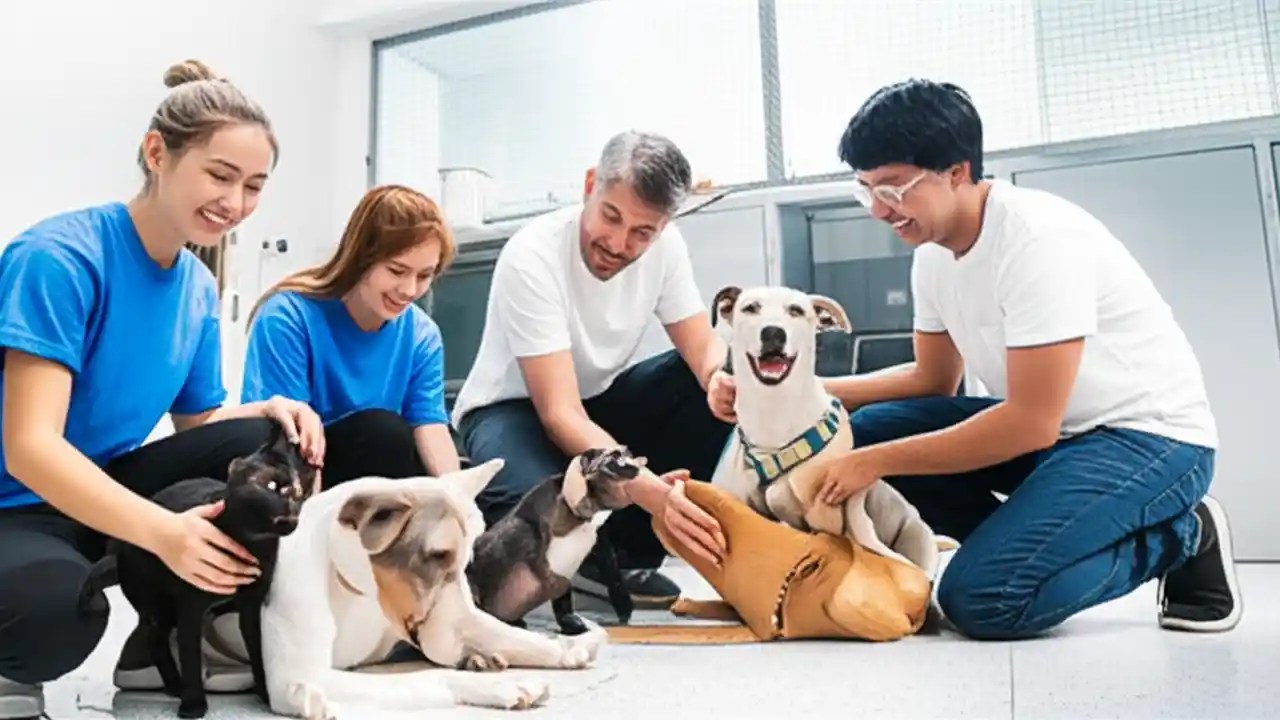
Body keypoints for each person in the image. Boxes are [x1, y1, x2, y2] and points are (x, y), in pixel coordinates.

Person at [705, 78, 1241, 640]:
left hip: (1147, 441)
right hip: (1056, 438)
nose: (880, 211)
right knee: (864, 432)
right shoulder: (933, 254)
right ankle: (1021, 549)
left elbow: (1030, 423)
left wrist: (873, 463)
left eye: (893, 189)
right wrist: (780, 391)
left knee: (982, 600)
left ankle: (1184, 535)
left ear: (957, 172)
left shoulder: (1036, 241)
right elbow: (933, 379)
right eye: (867, 192)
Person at [0, 59, 326, 718]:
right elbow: (29, 448)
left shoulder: (197, 288)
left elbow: (199, 427)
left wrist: (271, 410)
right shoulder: (59, 258)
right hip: (16, 503)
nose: (235, 203)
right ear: (157, 153)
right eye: (220, 175)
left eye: (254, 186)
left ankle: (168, 639)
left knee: (269, 439)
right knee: (57, 615)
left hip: (96, 489)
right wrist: (161, 533)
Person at [451, 130, 734, 607]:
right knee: (537, 518)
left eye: (643, 232)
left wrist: (718, 380)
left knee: (701, 386)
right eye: (611, 216)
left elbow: (702, 348)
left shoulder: (667, 249)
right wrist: (649, 490)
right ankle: (567, 550)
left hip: (596, 403)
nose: (619, 243)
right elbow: (559, 414)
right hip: (512, 413)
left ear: (664, 225)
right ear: (589, 186)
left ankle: (623, 557)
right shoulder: (532, 255)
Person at [241, 184, 461, 482]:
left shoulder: (423, 335)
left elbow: (430, 425)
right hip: (296, 467)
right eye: (396, 271)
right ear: (362, 257)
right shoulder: (288, 316)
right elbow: (286, 435)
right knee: (383, 433)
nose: (410, 290)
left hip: (379, 473)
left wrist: (458, 495)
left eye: (424, 276)